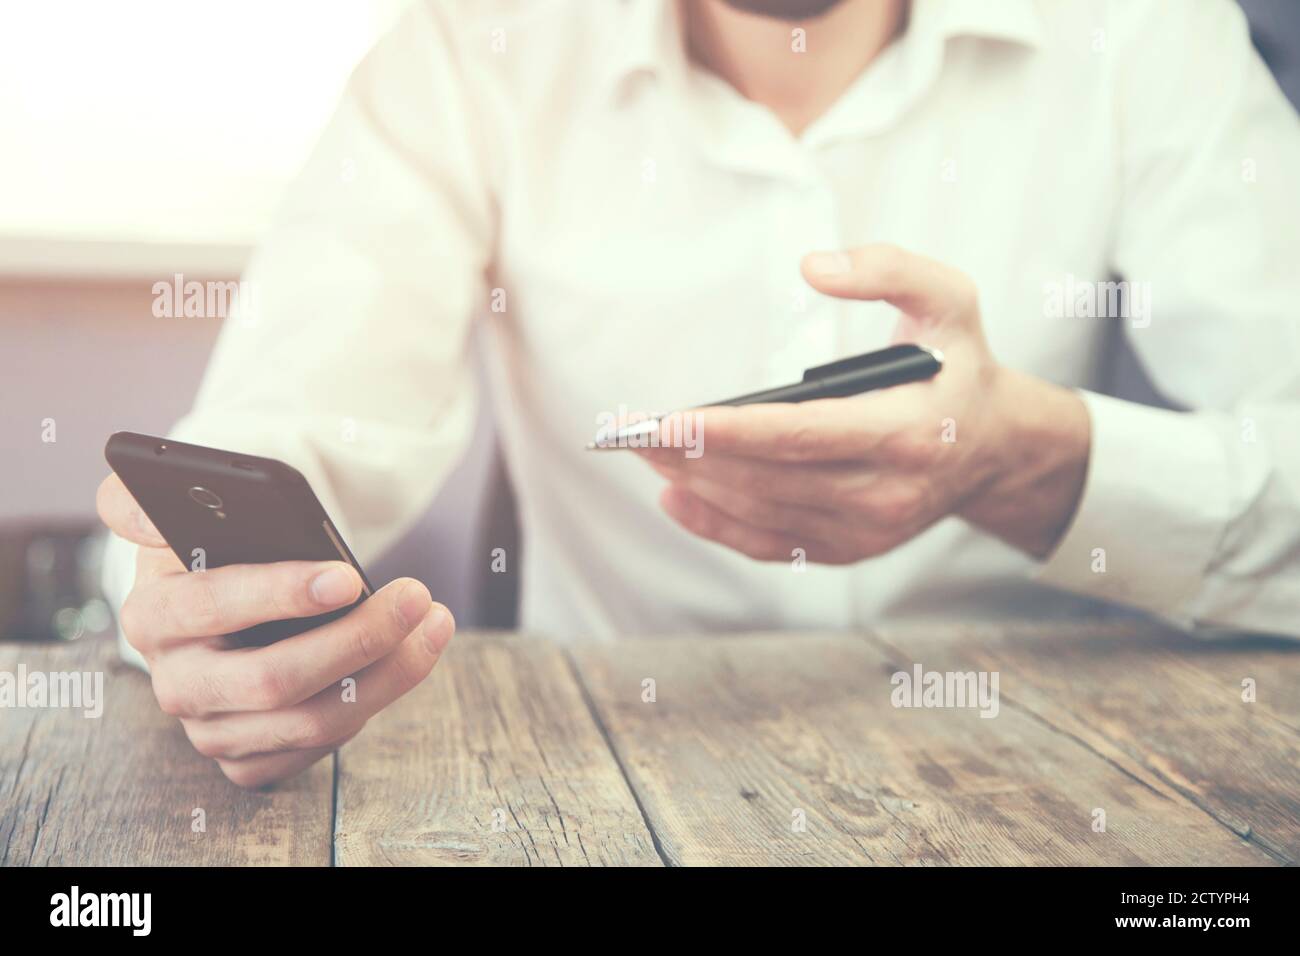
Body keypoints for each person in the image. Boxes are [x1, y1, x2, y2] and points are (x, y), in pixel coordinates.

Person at [97, 0, 1300, 787]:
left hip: (1060, 765)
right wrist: (186, 595)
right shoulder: (471, 45)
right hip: (605, 776)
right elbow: (285, 417)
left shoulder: (1142, 30)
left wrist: (1038, 458)